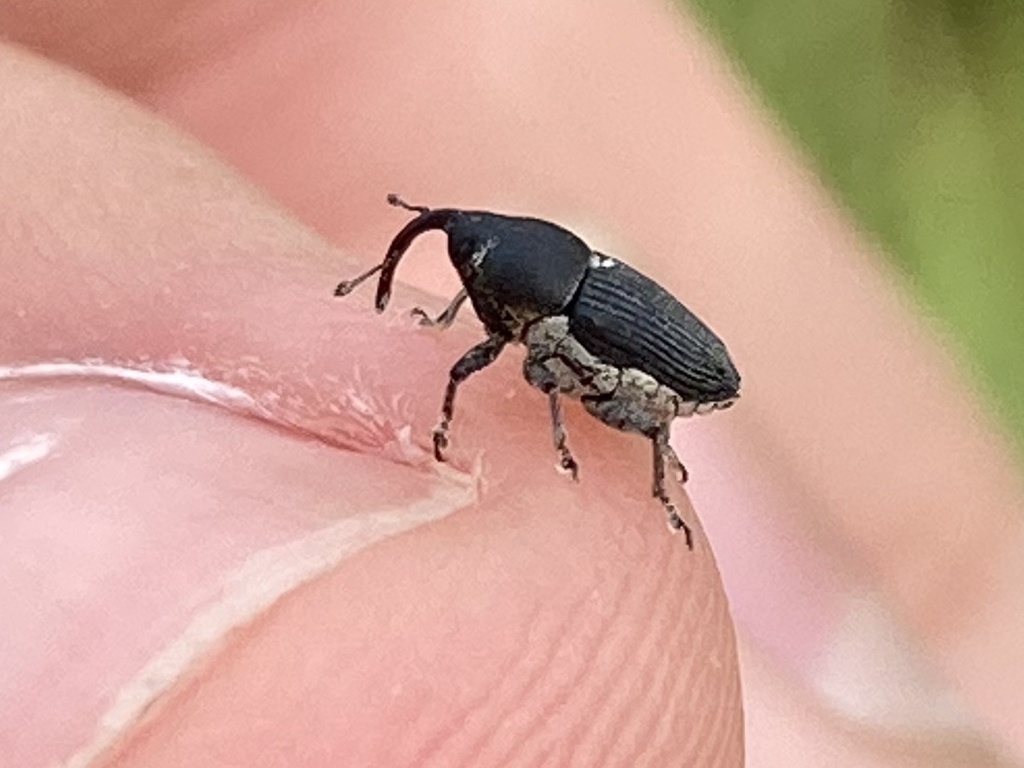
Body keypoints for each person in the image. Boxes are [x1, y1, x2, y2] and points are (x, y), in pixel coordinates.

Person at [2, 1, 1022, 766]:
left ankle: (658, 486)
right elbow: (498, 308)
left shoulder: (564, 308)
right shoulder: (530, 281)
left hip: (686, 374)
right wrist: (441, 273)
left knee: (581, 397)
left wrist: (572, 441)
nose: (455, 260)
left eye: (466, 259)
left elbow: (552, 358)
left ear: (524, 270)